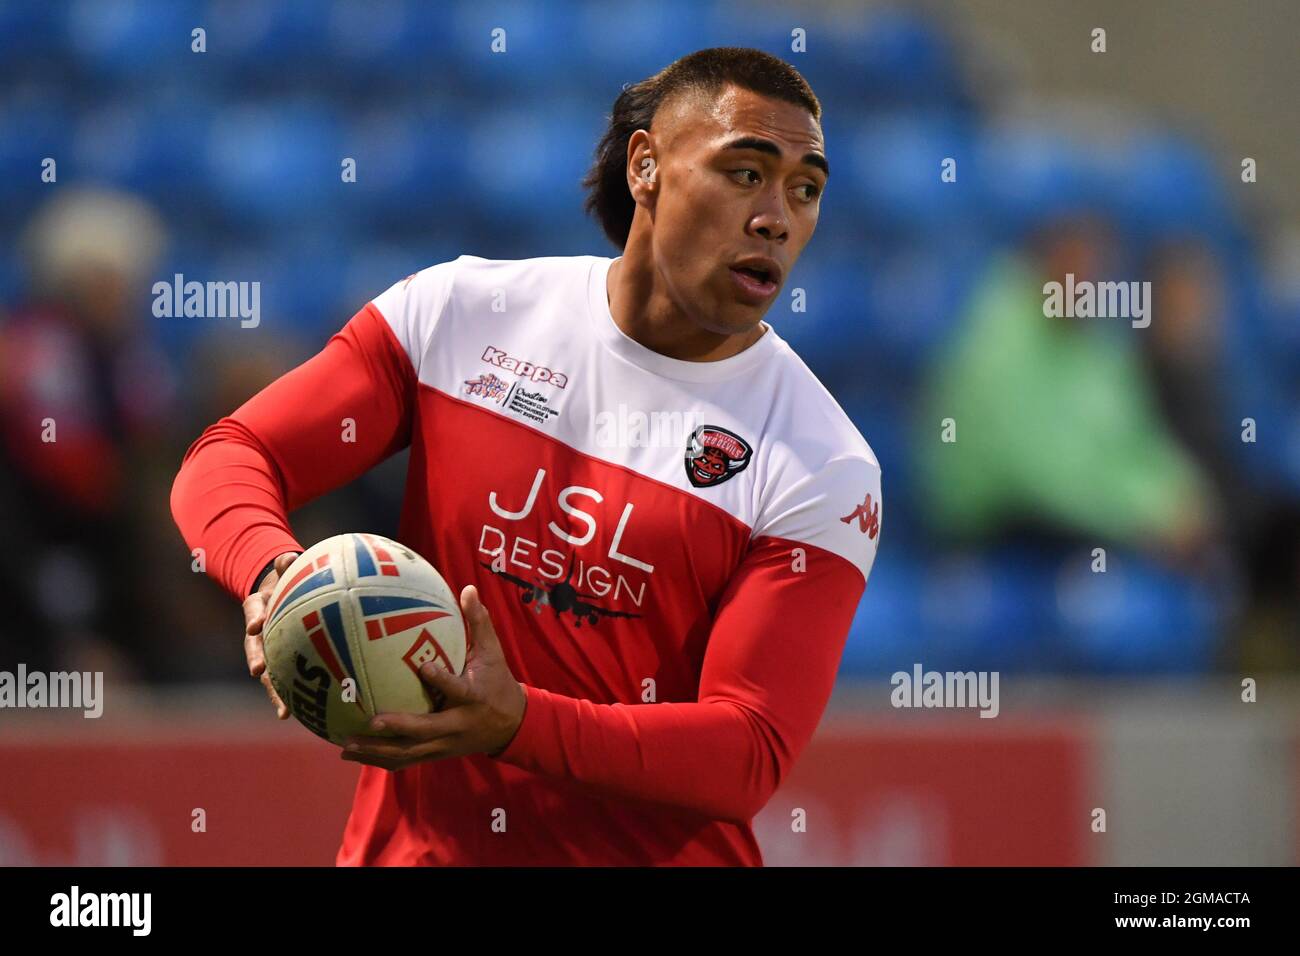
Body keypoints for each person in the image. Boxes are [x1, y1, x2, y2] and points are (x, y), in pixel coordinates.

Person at [171, 47, 882, 866]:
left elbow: (746, 750)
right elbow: (233, 452)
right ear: (645, 165)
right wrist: (274, 580)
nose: (778, 218)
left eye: (806, 188)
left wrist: (517, 725)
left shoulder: (822, 461)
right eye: (746, 173)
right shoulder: (462, 317)